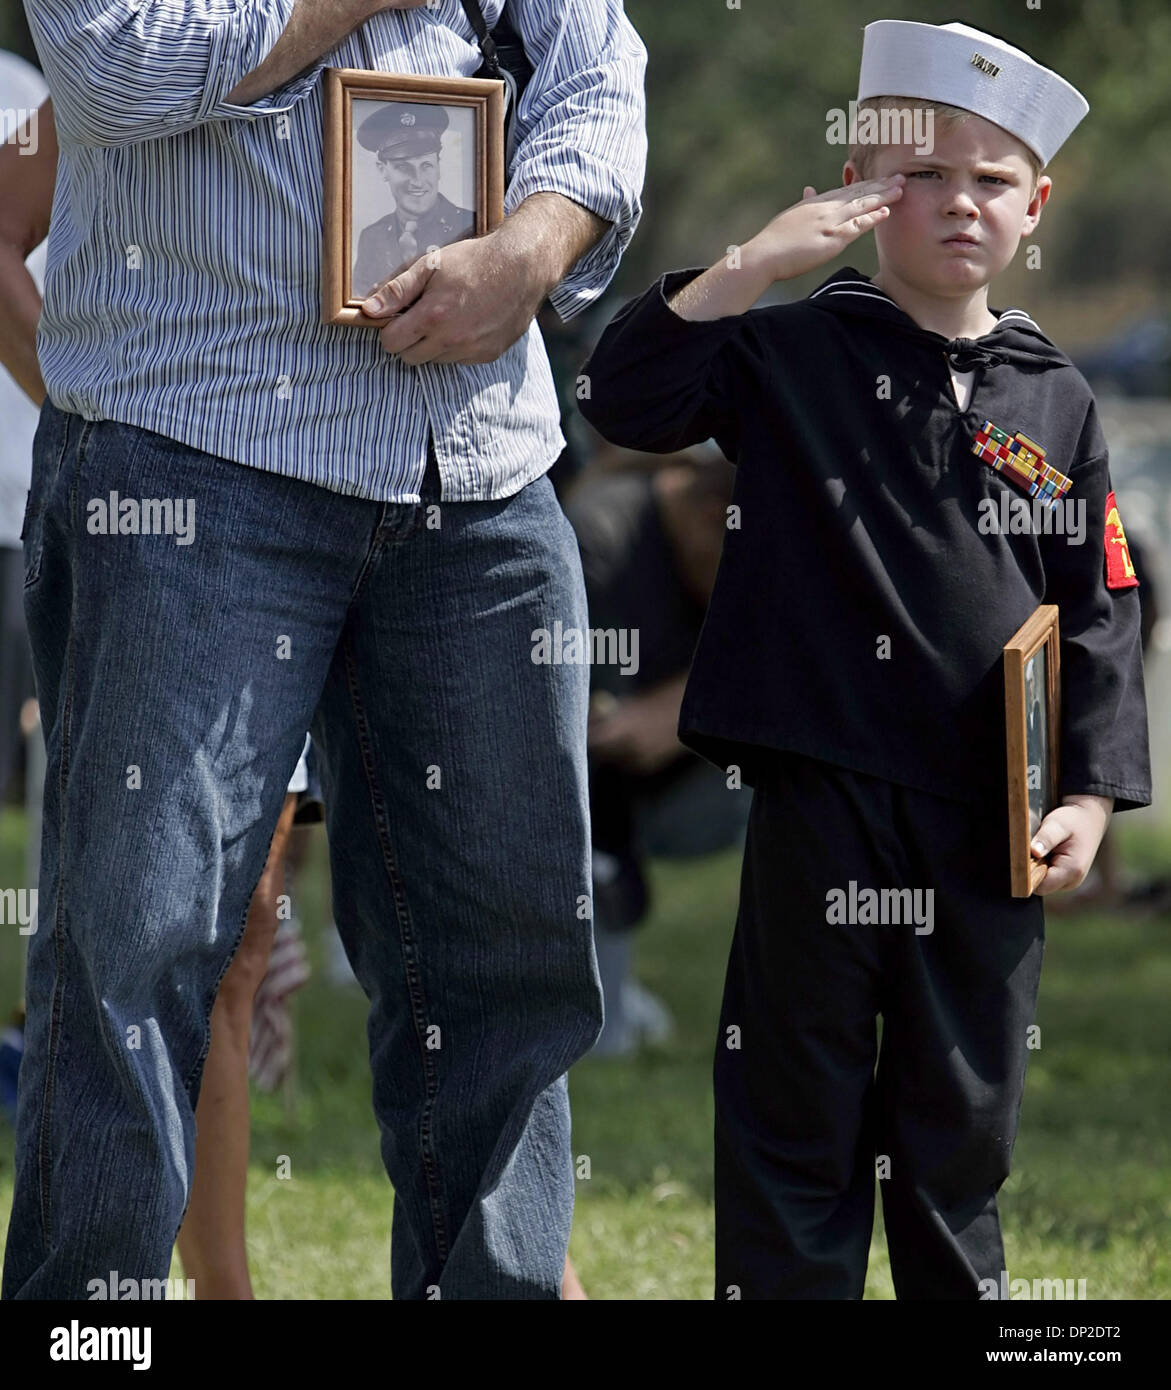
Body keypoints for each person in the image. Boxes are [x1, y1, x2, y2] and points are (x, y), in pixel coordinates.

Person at [3, 0, 645, 1302]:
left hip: (477, 464)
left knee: (506, 953)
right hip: (187, 454)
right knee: (140, 945)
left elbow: (599, 81)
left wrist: (530, 249)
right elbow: (116, 66)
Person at [578, 19, 1150, 1299]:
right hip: (821, 800)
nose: (958, 204)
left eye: (990, 181)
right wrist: (750, 264)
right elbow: (624, 396)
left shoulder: (1054, 392)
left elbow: (1101, 603)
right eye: (925, 174)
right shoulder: (788, 351)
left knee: (960, 1115)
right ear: (864, 187)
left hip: (987, 814)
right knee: (799, 1106)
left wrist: (1090, 793)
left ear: (1034, 204)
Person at [352, 102, 476, 300]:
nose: (417, 180)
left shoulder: (472, 227)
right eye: (403, 167)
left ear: (438, 167)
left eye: (426, 165)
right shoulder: (371, 237)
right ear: (383, 170)